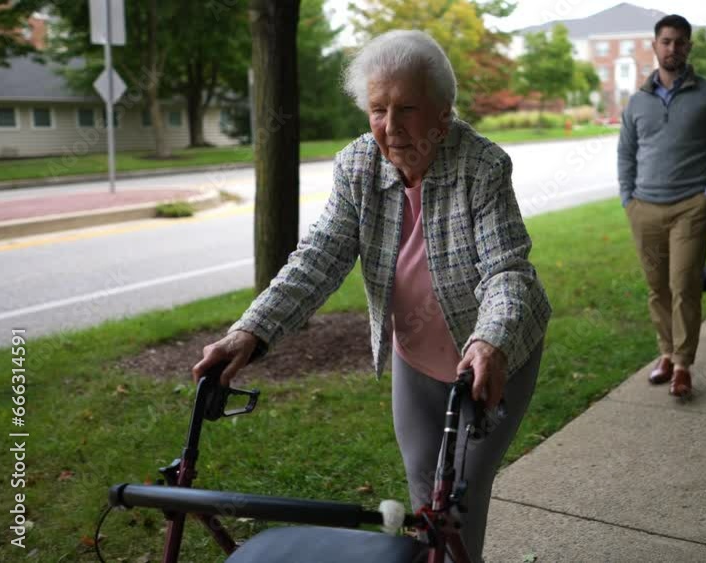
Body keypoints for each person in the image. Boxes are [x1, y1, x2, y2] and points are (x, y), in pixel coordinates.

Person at [192, 30, 551, 561]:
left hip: (491, 359)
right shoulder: (357, 166)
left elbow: (506, 271)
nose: (391, 126)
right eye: (378, 109)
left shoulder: (481, 166)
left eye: (407, 108)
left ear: (443, 113)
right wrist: (250, 330)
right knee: (422, 490)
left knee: (457, 500)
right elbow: (319, 256)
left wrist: (490, 341)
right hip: (416, 357)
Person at [618, 14, 706, 398]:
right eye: (666, 41)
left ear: (689, 47)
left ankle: (684, 365)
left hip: (691, 206)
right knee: (657, 288)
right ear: (655, 45)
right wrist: (628, 199)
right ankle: (667, 353)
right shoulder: (637, 101)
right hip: (645, 209)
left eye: (680, 42)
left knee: (684, 285)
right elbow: (626, 154)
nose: (673, 48)